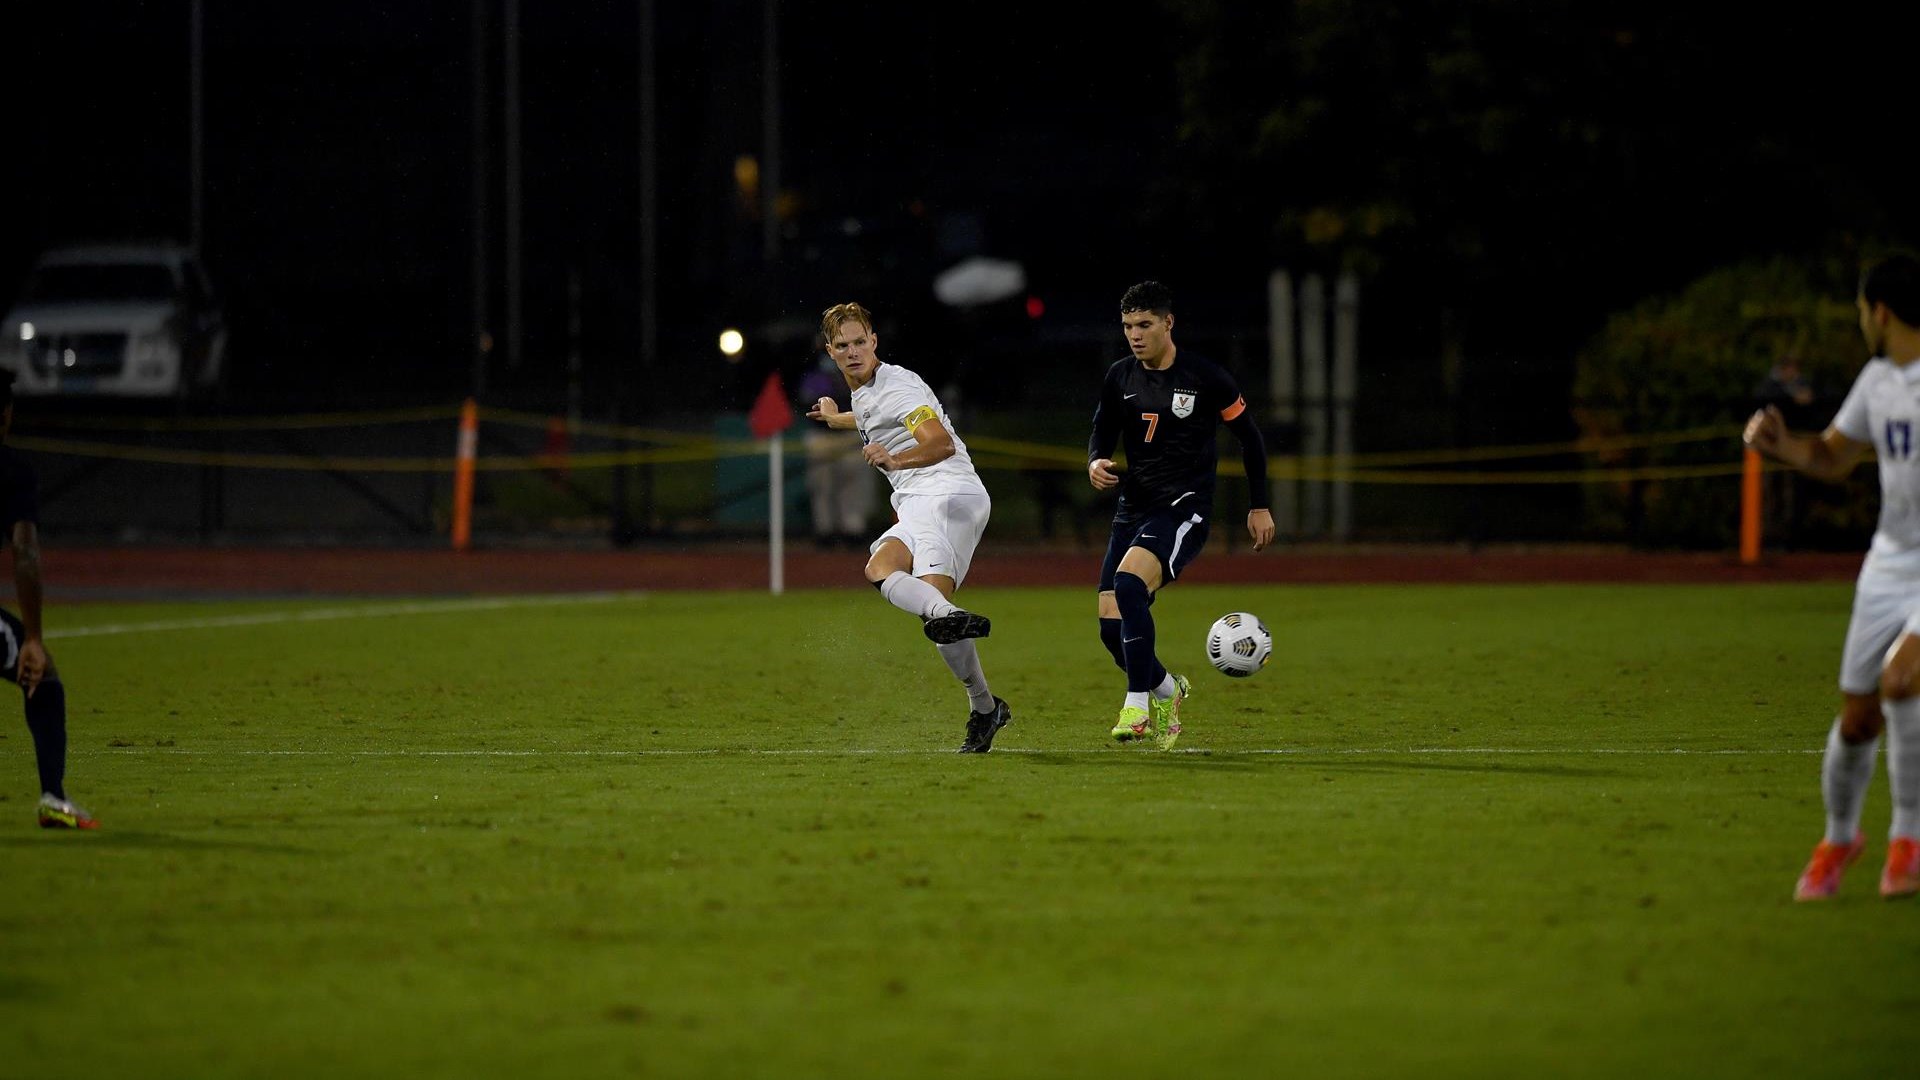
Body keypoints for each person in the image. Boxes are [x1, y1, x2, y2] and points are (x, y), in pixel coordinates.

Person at [1743, 251, 1920, 900]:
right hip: (1889, 562)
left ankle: (1909, 840)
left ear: (1882, 310)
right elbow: (1830, 455)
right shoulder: (1877, 381)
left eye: (1860, 310)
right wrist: (1780, 444)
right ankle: (1840, 839)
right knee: (1856, 720)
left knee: (1904, 682)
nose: (1859, 322)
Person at [805, 302, 1012, 753]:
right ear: (831, 352)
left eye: (861, 341)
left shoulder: (898, 387)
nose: (854, 351)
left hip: (949, 494)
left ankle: (978, 694)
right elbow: (868, 416)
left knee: (934, 612)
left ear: (874, 341)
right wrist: (835, 417)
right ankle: (984, 705)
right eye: (844, 345)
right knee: (881, 571)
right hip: (918, 501)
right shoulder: (866, 390)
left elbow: (937, 444)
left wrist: (895, 459)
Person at [1088, 281, 1273, 750]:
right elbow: (1102, 429)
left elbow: (1249, 438)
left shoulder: (1207, 378)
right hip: (1133, 507)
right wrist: (1096, 461)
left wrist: (1259, 503)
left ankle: (1136, 706)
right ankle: (1169, 690)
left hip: (1184, 507)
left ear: (1168, 323)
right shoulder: (1119, 376)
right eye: (1128, 325)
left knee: (1129, 585)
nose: (1135, 334)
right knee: (1113, 633)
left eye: (1145, 324)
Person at [0, 371, 96, 829]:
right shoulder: (11, 470)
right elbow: (24, 551)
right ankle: (53, 797)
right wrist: (33, 636)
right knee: (43, 676)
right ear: (6, 415)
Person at [797, 352, 878, 548]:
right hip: (821, 437)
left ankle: (853, 530)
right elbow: (806, 402)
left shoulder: (859, 374)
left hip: (850, 435)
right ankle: (825, 532)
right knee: (822, 487)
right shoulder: (816, 376)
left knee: (853, 486)